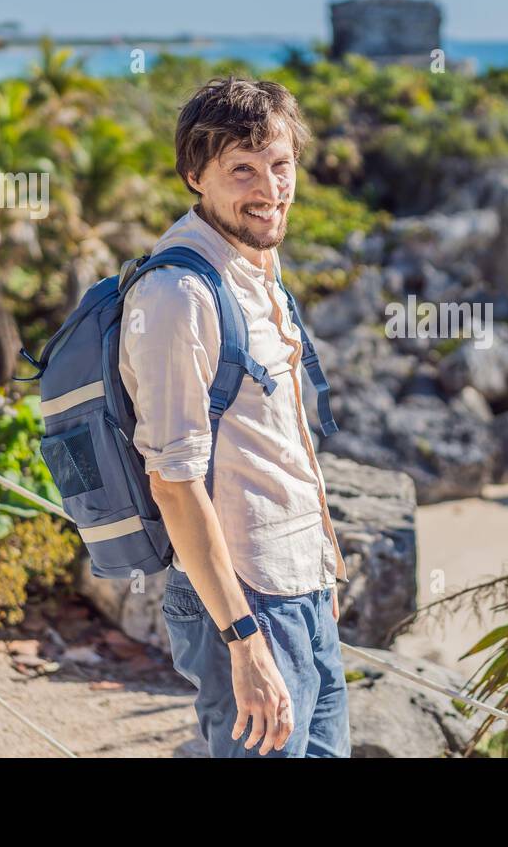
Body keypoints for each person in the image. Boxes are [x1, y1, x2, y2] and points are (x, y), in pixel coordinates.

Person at [119, 76, 350, 757]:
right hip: (244, 603)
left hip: (302, 584)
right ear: (196, 175)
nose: (270, 189)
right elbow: (173, 481)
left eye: (281, 166)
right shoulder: (179, 295)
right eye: (242, 170)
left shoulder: (258, 265)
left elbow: (283, 439)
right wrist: (245, 642)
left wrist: (322, 568)